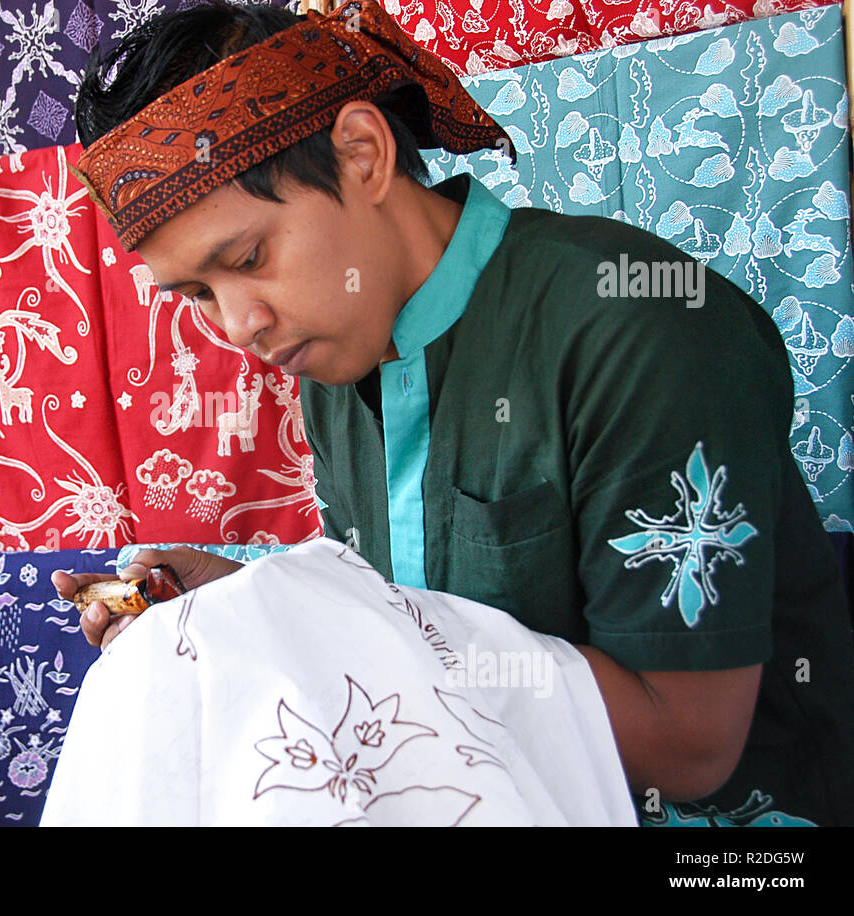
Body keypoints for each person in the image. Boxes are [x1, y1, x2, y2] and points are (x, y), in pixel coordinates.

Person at [52, 0, 854, 825]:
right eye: (196, 295)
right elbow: (400, 615)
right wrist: (242, 608)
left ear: (363, 154)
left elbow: (688, 748)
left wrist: (308, 621)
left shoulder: (642, 330)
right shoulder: (336, 358)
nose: (240, 326)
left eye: (249, 258)